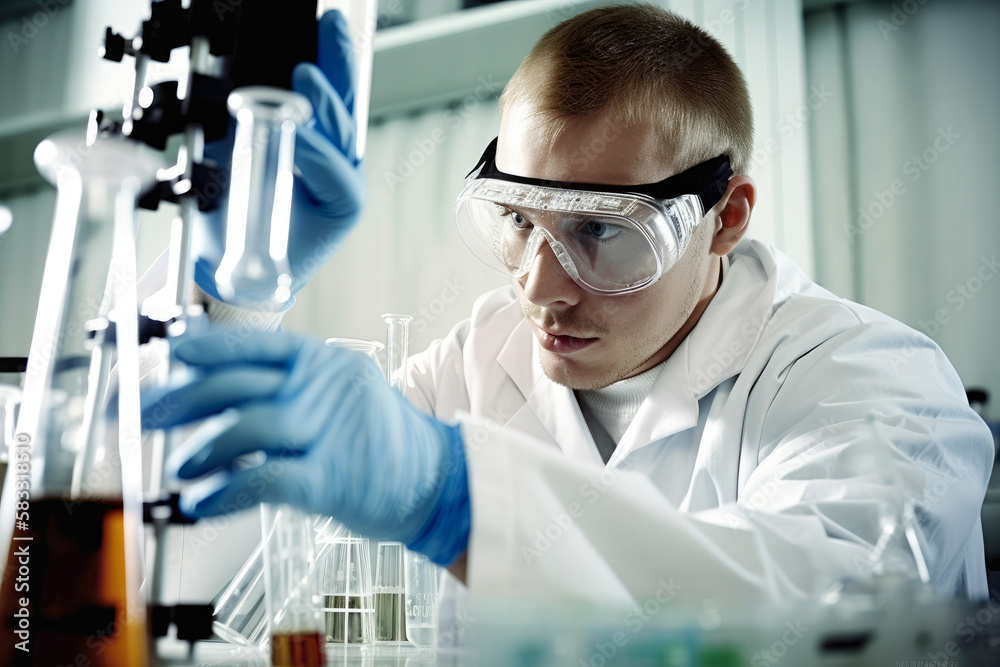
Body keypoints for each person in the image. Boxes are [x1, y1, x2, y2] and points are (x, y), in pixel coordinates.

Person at [142, 4, 994, 613]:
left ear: (724, 218)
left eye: (602, 231)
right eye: (517, 221)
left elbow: (835, 608)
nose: (539, 288)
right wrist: (244, 295)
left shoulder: (869, 377)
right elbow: (206, 575)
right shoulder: (480, 359)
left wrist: (460, 496)